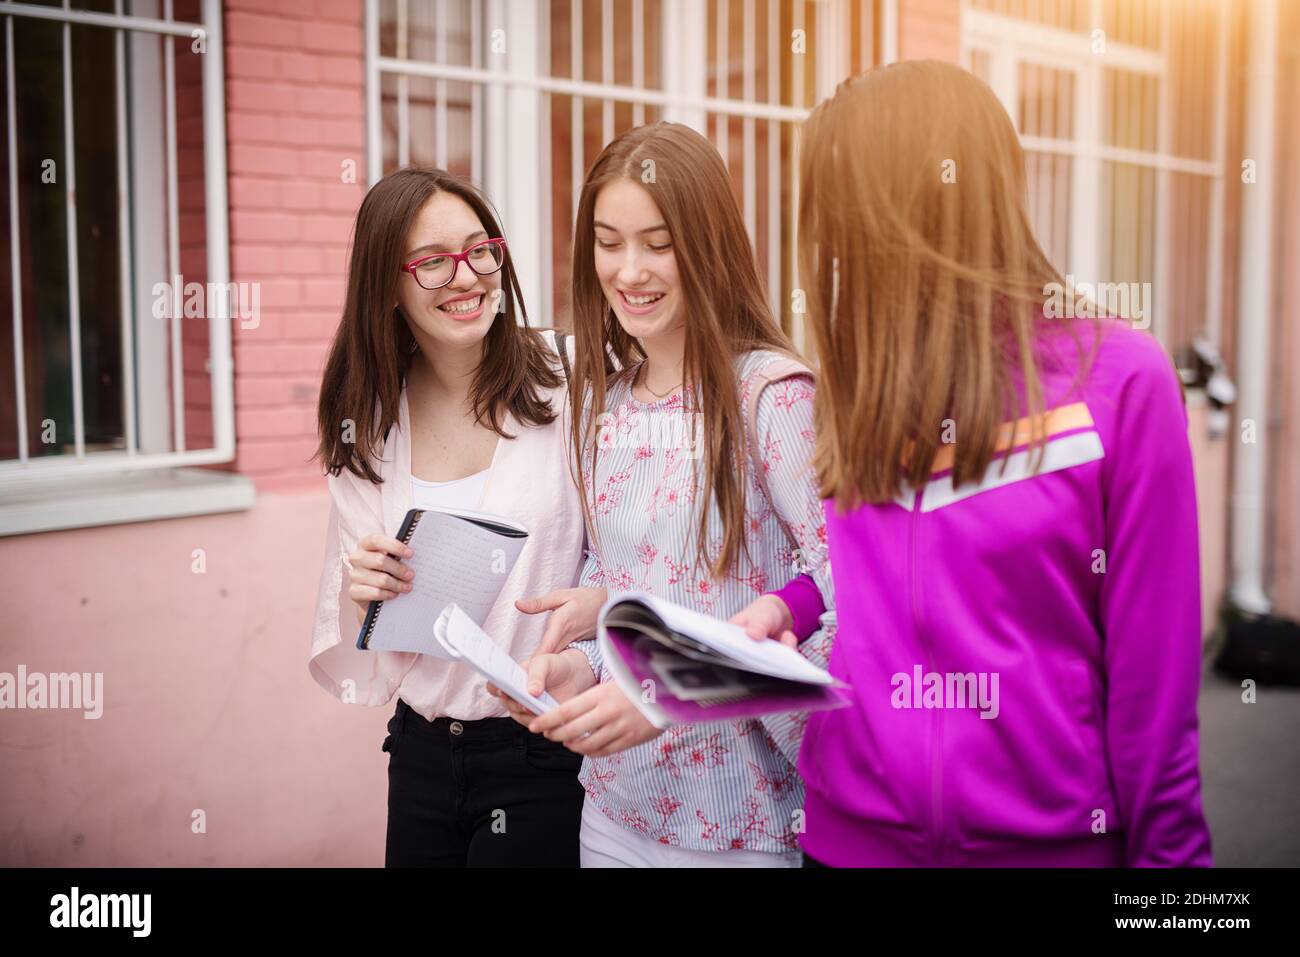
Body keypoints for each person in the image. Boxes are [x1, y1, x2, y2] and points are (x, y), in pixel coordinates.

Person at [740, 61, 1212, 867]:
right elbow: (882, 573)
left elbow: (1154, 700)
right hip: (847, 844)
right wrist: (795, 606)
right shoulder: (860, 377)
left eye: (845, 209)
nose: (831, 242)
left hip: (1048, 849)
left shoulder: (1123, 380)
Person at [490, 122, 835, 867]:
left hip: (743, 825)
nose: (629, 269)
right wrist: (572, 670)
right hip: (613, 812)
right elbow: (613, 588)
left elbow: (843, 588)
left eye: (658, 241)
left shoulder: (770, 396)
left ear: (707, 244)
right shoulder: (603, 405)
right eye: (609, 241)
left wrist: (670, 689)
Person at [309, 167, 600, 867]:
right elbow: (364, 661)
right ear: (388, 286)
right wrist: (363, 590)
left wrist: (596, 624)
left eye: (480, 249)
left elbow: (633, 544)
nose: (467, 276)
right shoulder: (369, 424)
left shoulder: (570, 376)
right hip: (420, 752)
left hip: (544, 748)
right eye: (433, 261)